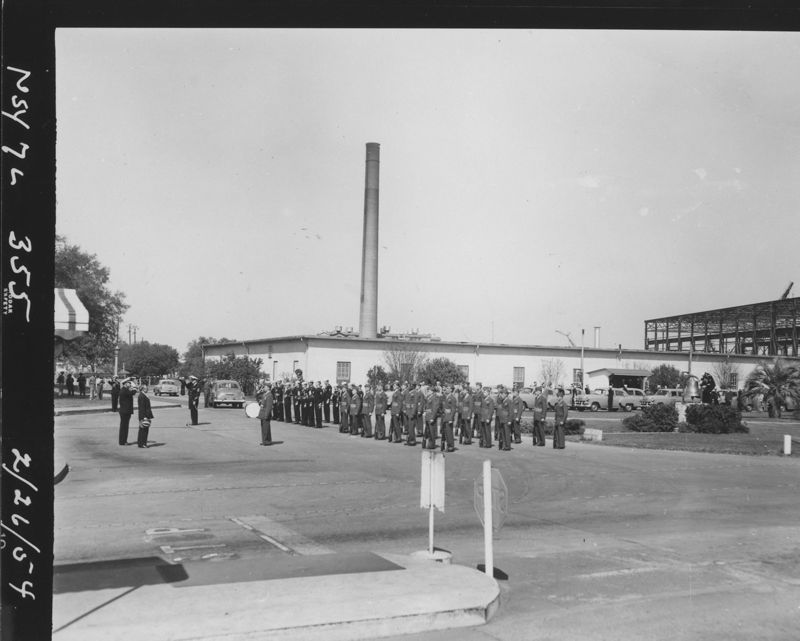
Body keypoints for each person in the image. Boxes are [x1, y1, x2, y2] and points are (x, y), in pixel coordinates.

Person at [118, 378, 135, 445]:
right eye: (129, 383)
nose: (130, 384)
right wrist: (134, 385)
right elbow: (133, 392)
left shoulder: (125, 390)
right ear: (125, 384)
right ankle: (123, 441)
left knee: (124, 427)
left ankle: (123, 441)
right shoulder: (124, 390)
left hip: (125, 411)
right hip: (125, 411)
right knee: (124, 427)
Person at [137, 384, 154, 448]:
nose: (147, 389)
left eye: (147, 388)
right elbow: (142, 407)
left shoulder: (144, 395)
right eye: (146, 388)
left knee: (145, 430)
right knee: (143, 430)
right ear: (142, 389)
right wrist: (144, 416)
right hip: (144, 415)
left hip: (146, 415)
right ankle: (142, 443)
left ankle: (142, 443)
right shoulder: (141, 396)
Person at [441, 384, 457, 452]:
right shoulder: (446, 397)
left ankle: (451, 446)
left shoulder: (452, 398)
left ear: (451, 389)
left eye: (448, 388)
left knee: (449, 433)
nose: (446, 389)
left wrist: (451, 418)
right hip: (445, 416)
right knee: (446, 433)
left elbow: (453, 409)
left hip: (449, 417)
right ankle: (448, 445)